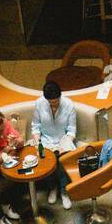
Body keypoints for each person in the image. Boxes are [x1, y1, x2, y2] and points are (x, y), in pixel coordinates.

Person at [33, 80, 77, 210]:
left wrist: (64, 144)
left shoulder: (69, 105)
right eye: (51, 103)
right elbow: (35, 127)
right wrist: (38, 142)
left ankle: (64, 192)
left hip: (64, 139)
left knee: (63, 159)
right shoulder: (39, 103)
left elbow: (72, 130)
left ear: (60, 96)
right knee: (46, 160)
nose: (54, 105)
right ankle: (53, 188)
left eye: (56, 102)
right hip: (46, 140)